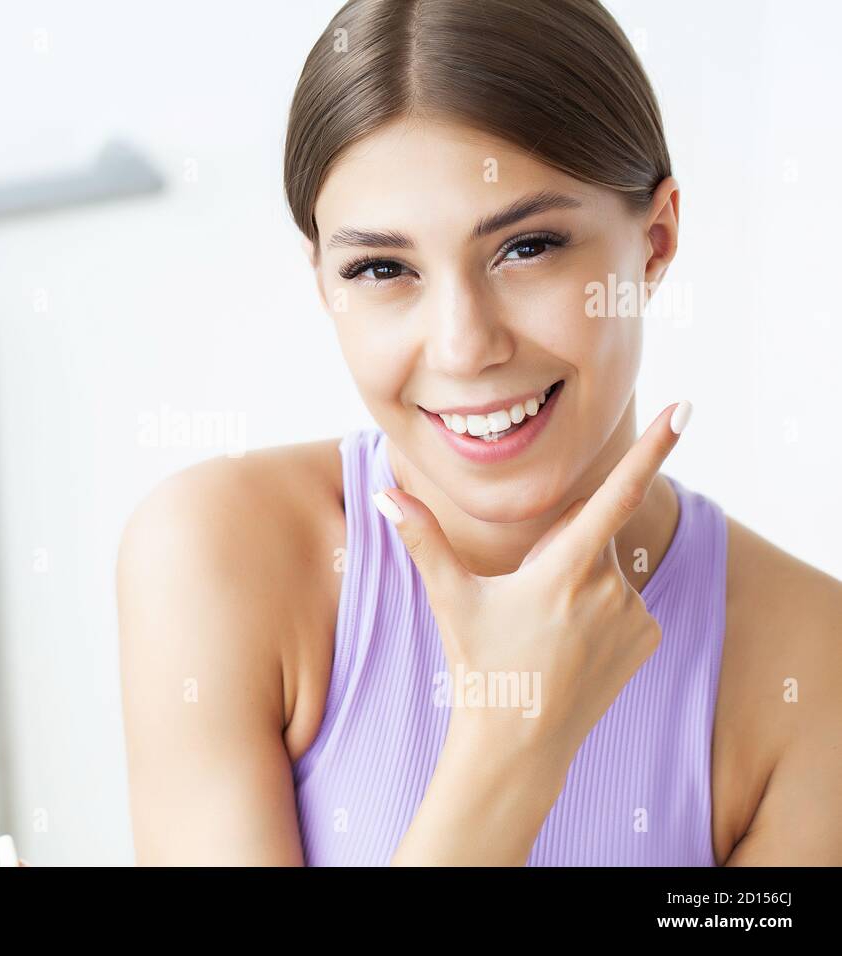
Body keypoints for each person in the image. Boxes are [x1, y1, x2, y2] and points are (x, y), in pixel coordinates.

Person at [116, 0, 842, 865]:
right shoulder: (216, 558)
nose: (465, 347)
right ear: (323, 285)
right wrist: (511, 741)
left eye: (527, 248)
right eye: (383, 269)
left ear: (654, 242)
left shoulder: (814, 664)